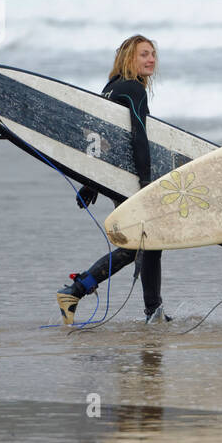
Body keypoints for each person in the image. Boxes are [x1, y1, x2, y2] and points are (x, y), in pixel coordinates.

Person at [56, 35, 171, 325]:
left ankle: (149, 309)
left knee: (144, 242)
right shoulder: (134, 88)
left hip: (115, 178)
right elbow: (138, 136)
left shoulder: (110, 89)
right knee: (143, 242)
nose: (151, 60)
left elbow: (102, 142)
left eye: (153, 55)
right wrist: (146, 182)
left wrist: (93, 183)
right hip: (130, 179)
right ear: (129, 58)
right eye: (144, 54)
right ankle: (79, 289)